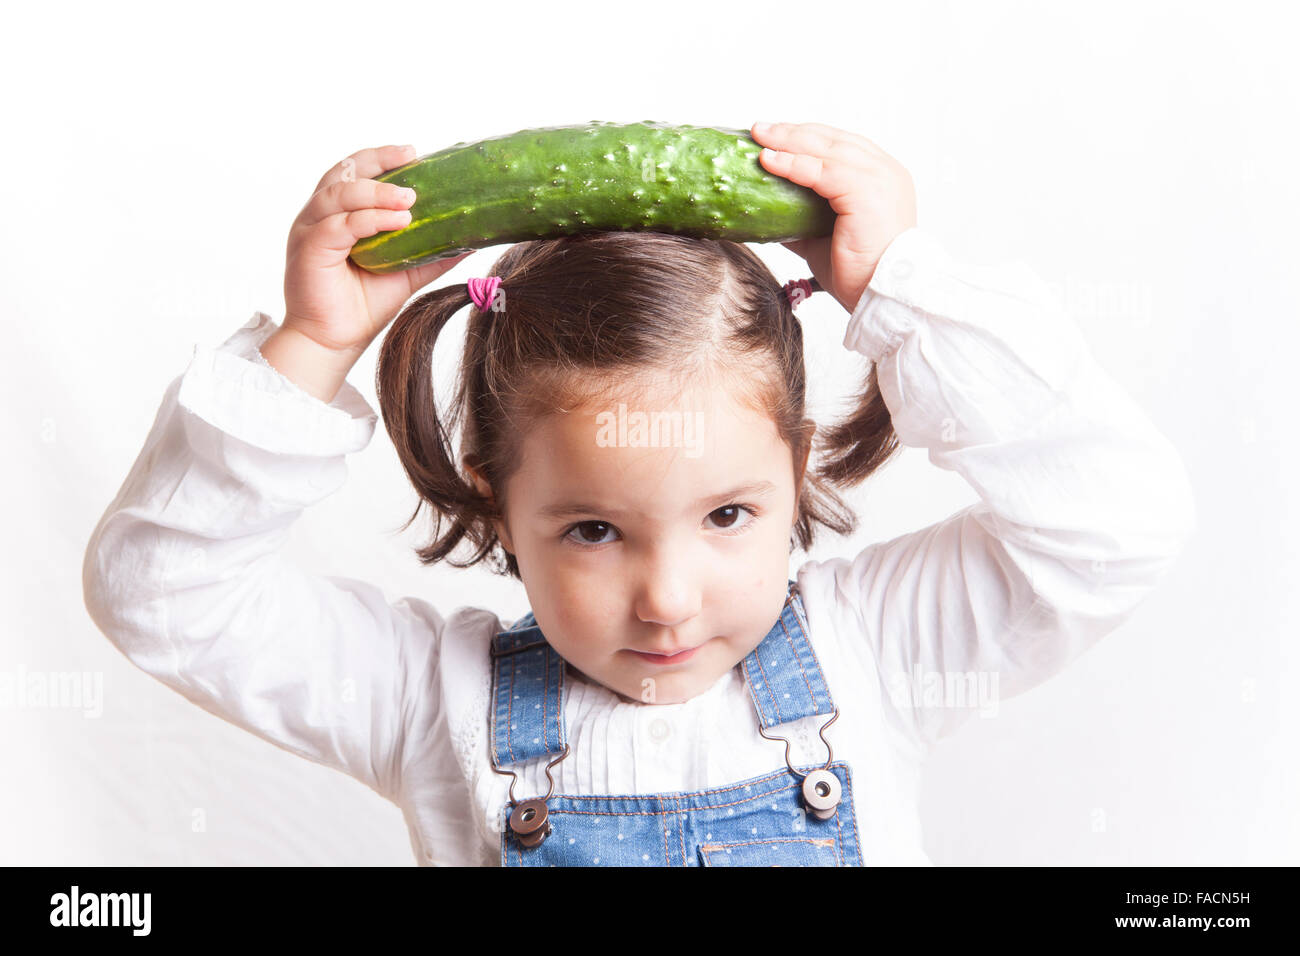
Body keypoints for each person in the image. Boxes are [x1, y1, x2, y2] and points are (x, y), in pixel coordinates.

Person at [82, 122, 1196, 866]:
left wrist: (909, 289)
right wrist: (311, 344)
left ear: (795, 465)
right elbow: (164, 594)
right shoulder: (433, 697)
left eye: (727, 515)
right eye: (594, 528)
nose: (667, 597)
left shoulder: (882, 652)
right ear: (496, 504)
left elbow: (1118, 525)